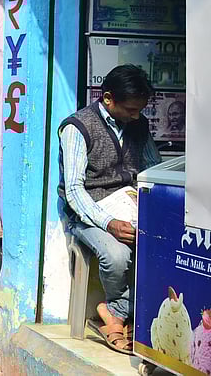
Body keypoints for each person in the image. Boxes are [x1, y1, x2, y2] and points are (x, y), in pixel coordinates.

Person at [58, 64, 162, 354]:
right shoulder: (77, 127)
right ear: (107, 99)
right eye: (130, 109)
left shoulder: (137, 125)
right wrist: (108, 223)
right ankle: (117, 310)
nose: (136, 116)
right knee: (117, 254)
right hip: (87, 211)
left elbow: (154, 167)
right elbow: (75, 191)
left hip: (127, 201)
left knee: (164, 247)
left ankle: (123, 311)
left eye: (140, 109)